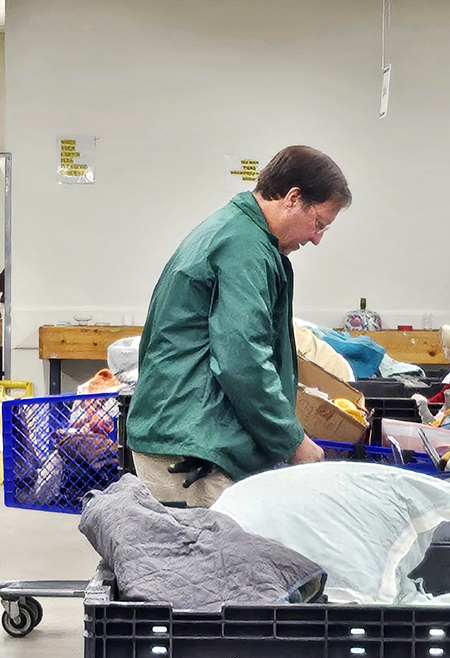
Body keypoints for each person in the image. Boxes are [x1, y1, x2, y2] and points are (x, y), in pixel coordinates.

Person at [126, 145, 351, 506]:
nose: (316, 238)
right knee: (206, 561)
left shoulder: (231, 230)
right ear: (293, 198)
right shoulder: (244, 247)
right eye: (319, 223)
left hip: (186, 434)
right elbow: (243, 359)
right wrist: (293, 442)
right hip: (193, 451)